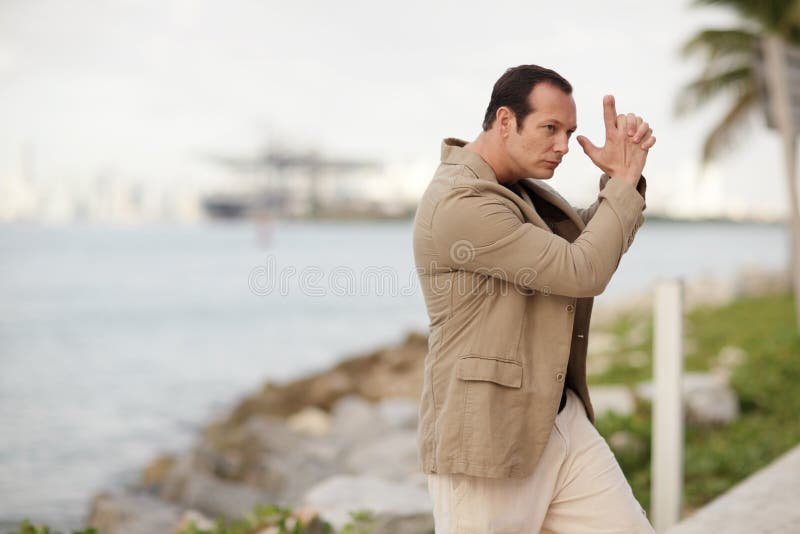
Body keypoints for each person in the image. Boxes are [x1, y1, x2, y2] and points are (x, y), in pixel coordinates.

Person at [411, 64, 656, 533]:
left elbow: (589, 242)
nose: (564, 146)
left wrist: (622, 178)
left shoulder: (515, 192)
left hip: (559, 419)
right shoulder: (461, 202)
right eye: (550, 129)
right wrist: (621, 186)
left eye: (569, 132)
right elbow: (581, 268)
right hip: (488, 440)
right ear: (505, 121)